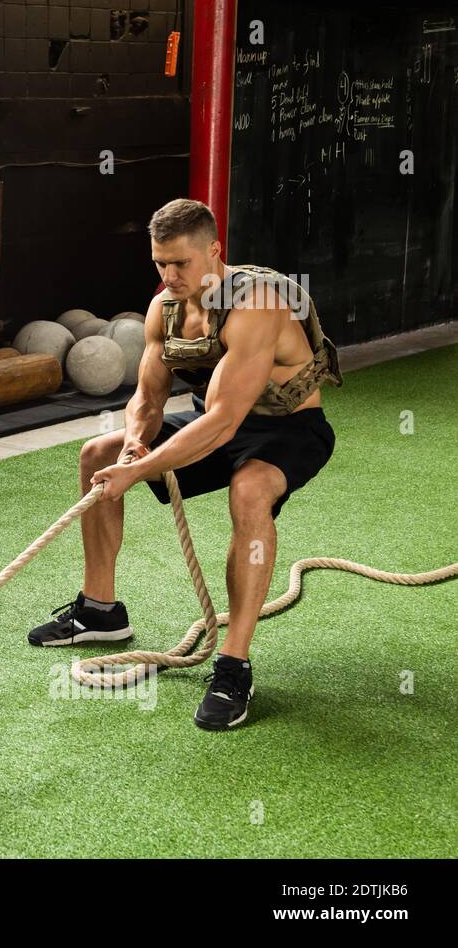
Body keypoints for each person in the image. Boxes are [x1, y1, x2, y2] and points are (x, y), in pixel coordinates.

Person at [29, 198, 343, 730]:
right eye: (159, 264)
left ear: (215, 253)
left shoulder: (258, 305)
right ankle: (100, 612)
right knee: (98, 453)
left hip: (286, 430)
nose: (169, 275)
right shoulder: (166, 308)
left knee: (248, 493)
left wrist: (138, 472)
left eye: (181, 264)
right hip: (216, 424)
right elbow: (149, 402)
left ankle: (233, 664)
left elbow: (222, 422)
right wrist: (132, 446)